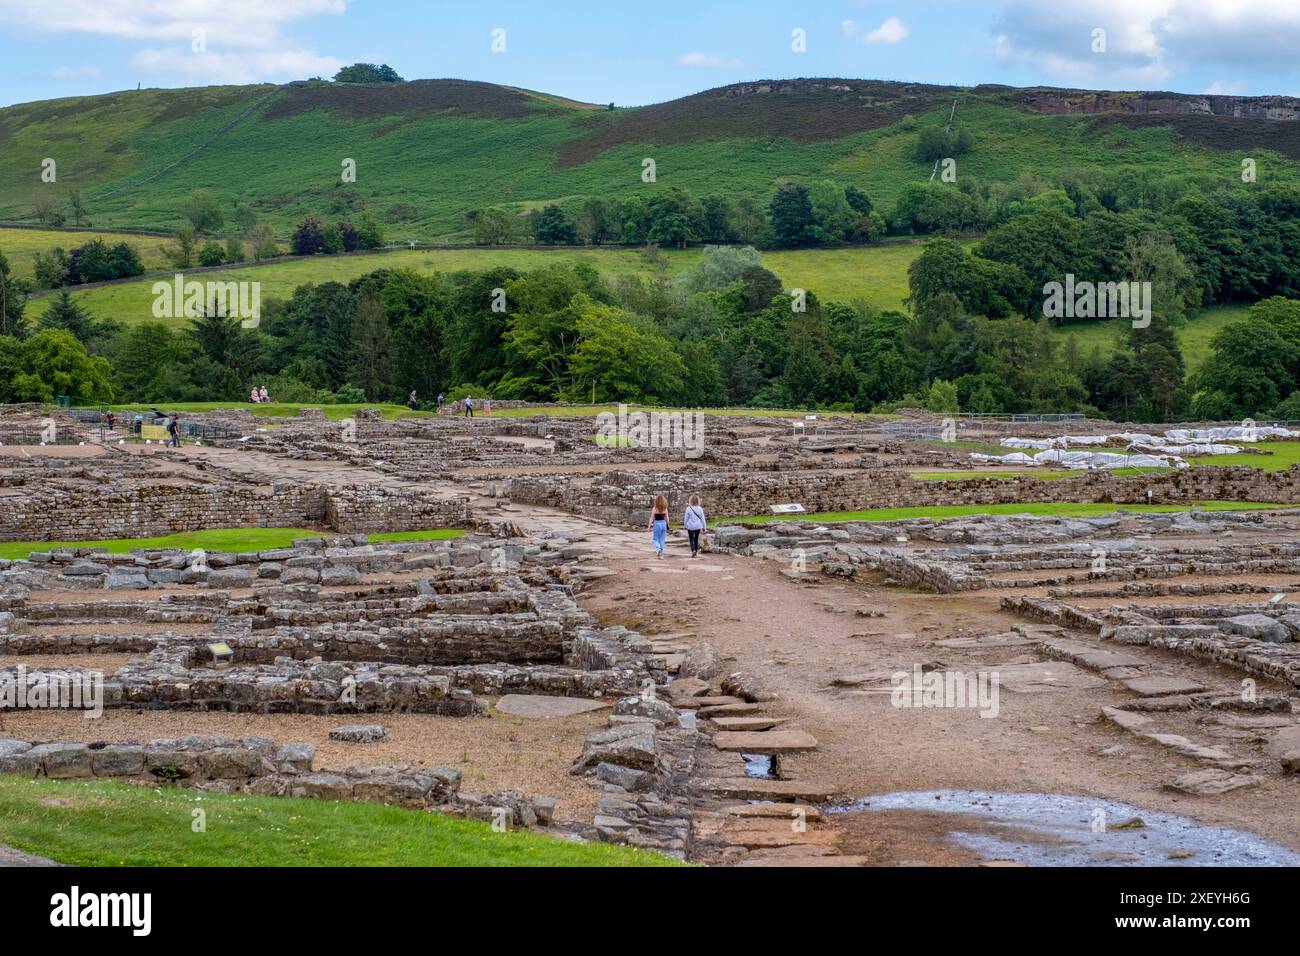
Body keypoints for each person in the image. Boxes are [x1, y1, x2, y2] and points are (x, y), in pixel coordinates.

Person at [647, 494, 669, 560]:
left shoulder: (655, 508)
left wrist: (649, 527)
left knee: (655, 539)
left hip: (657, 524)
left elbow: (652, 518)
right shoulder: (665, 509)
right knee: (662, 539)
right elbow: (667, 518)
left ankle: (658, 548)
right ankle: (661, 555)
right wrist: (668, 526)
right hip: (663, 524)